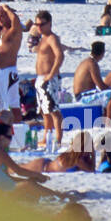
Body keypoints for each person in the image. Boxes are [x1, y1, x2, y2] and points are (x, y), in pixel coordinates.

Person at [30, 10, 65, 152]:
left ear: (49, 23)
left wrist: (51, 74)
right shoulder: (42, 37)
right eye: (37, 24)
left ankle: (58, 139)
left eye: (42, 24)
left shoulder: (52, 38)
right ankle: (46, 136)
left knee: (54, 110)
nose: (39, 27)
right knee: (44, 111)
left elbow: (60, 56)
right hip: (40, 79)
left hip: (49, 79)